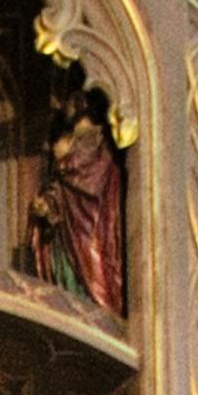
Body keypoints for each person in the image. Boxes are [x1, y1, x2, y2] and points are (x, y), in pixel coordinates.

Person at [25, 88, 129, 321]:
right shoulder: (67, 141)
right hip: (70, 235)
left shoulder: (103, 140)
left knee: (99, 287)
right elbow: (60, 187)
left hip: (97, 228)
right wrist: (48, 206)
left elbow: (84, 176)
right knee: (71, 297)